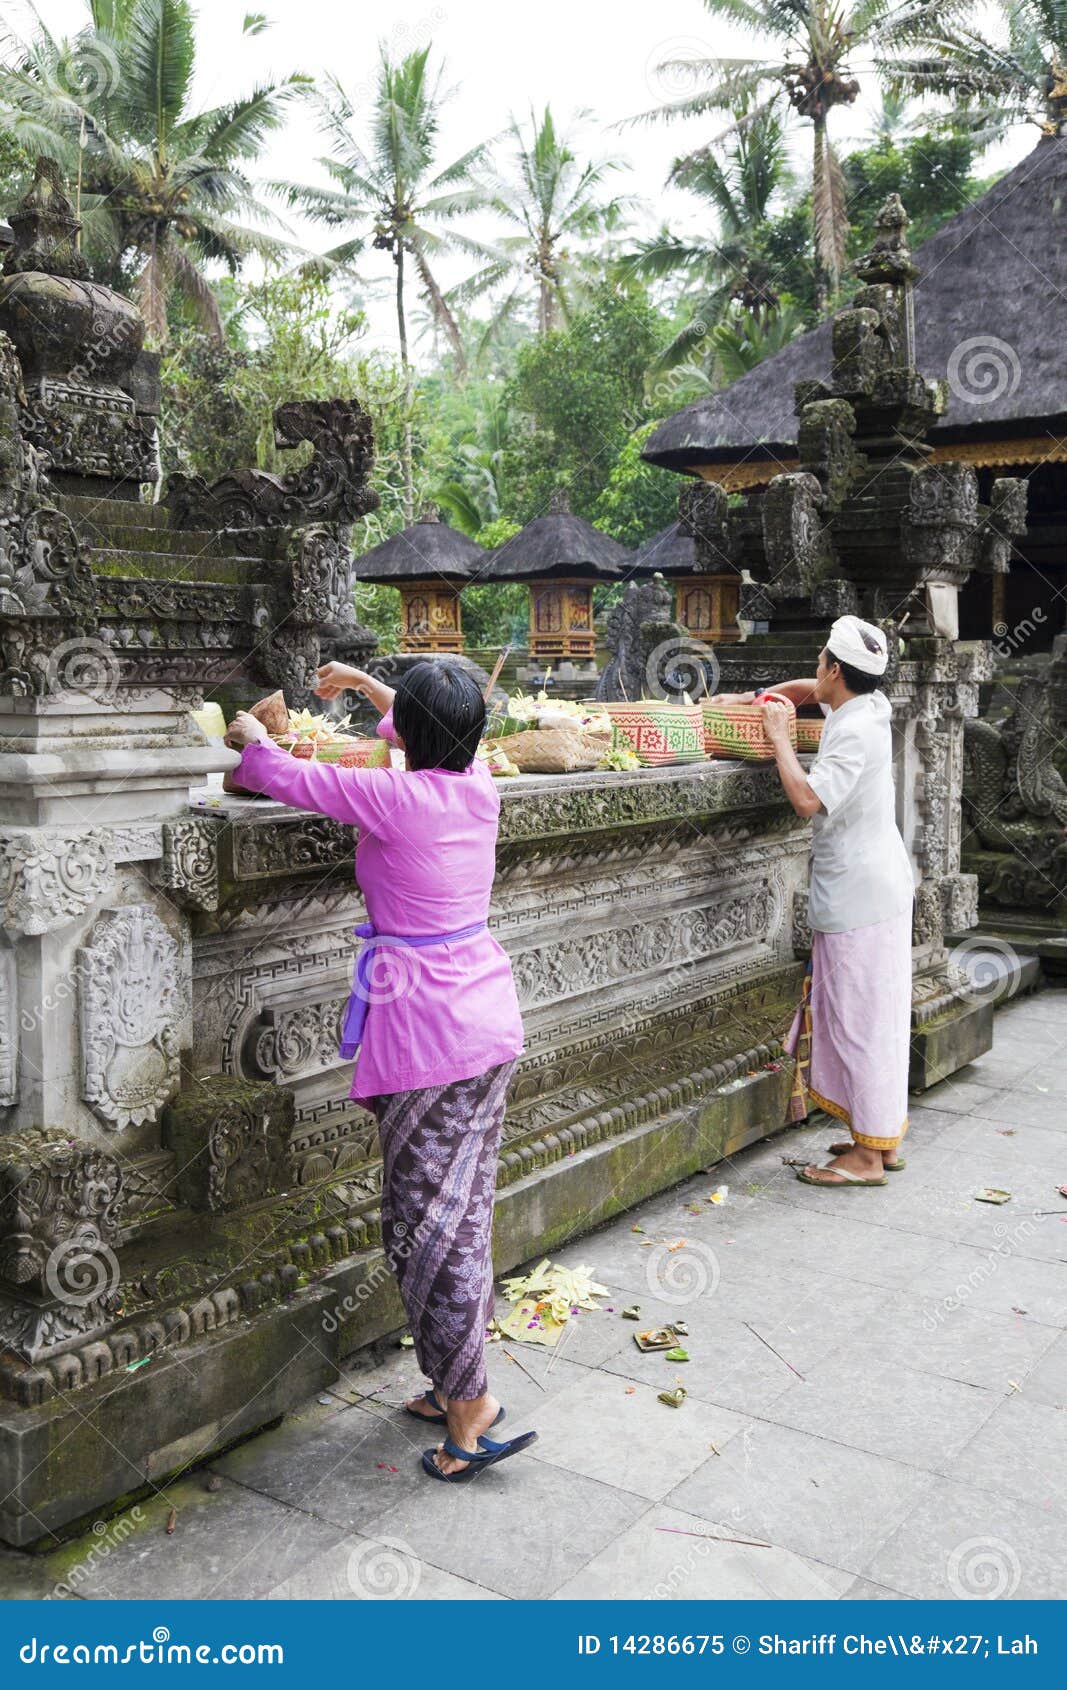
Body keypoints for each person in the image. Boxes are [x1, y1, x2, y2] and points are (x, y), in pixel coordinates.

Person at [227, 660, 533, 1481]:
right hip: (480, 1020)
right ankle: (449, 1381)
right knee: (452, 1212)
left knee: (433, 1225)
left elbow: (281, 775)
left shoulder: (396, 799)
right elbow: (430, 727)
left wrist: (254, 736)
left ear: (419, 738)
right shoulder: (473, 786)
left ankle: (473, 1411)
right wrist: (367, 687)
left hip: (431, 1034)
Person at [712, 616, 915, 1187]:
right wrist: (761, 697)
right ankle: (878, 1137)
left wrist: (779, 737)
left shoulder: (852, 730)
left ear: (835, 669)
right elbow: (810, 692)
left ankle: (867, 1160)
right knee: (877, 1015)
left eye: (822, 661)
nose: (816, 671)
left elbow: (807, 799)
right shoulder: (866, 706)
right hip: (876, 887)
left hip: (861, 896)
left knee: (859, 1020)